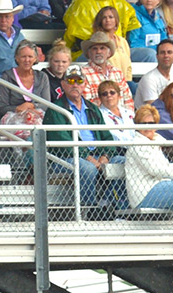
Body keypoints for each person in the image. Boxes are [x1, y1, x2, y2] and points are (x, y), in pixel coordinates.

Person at [42, 65, 117, 216]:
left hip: (96, 155)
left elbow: (107, 137)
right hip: (64, 159)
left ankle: (120, 209)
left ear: (85, 84)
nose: (75, 84)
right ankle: (87, 212)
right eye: (70, 80)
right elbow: (63, 143)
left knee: (122, 161)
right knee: (87, 168)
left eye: (79, 81)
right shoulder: (56, 109)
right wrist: (88, 158)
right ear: (63, 84)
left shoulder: (93, 108)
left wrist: (105, 157)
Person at [80, 31, 134, 114]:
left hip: (123, 119)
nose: (98, 51)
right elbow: (87, 104)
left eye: (102, 48)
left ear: (109, 53)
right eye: (95, 48)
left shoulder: (117, 72)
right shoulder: (83, 73)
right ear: (89, 53)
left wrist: (128, 118)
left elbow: (128, 99)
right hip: (98, 121)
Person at [0, 40, 50, 119]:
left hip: (37, 118)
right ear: (17, 58)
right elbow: (3, 107)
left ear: (35, 58)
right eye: (23, 56)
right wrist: (18, 109)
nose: (27, 60)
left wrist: (31, 105)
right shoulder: (7, 77)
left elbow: (46, 104)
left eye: (30, 56)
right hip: (14, 118)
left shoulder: (42, 77)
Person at [135, 39, 173, 106]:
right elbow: (155, 109)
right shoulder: (149, 79)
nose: (166, 55)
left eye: (169, 52)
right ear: (157, 56)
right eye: (162, 52)